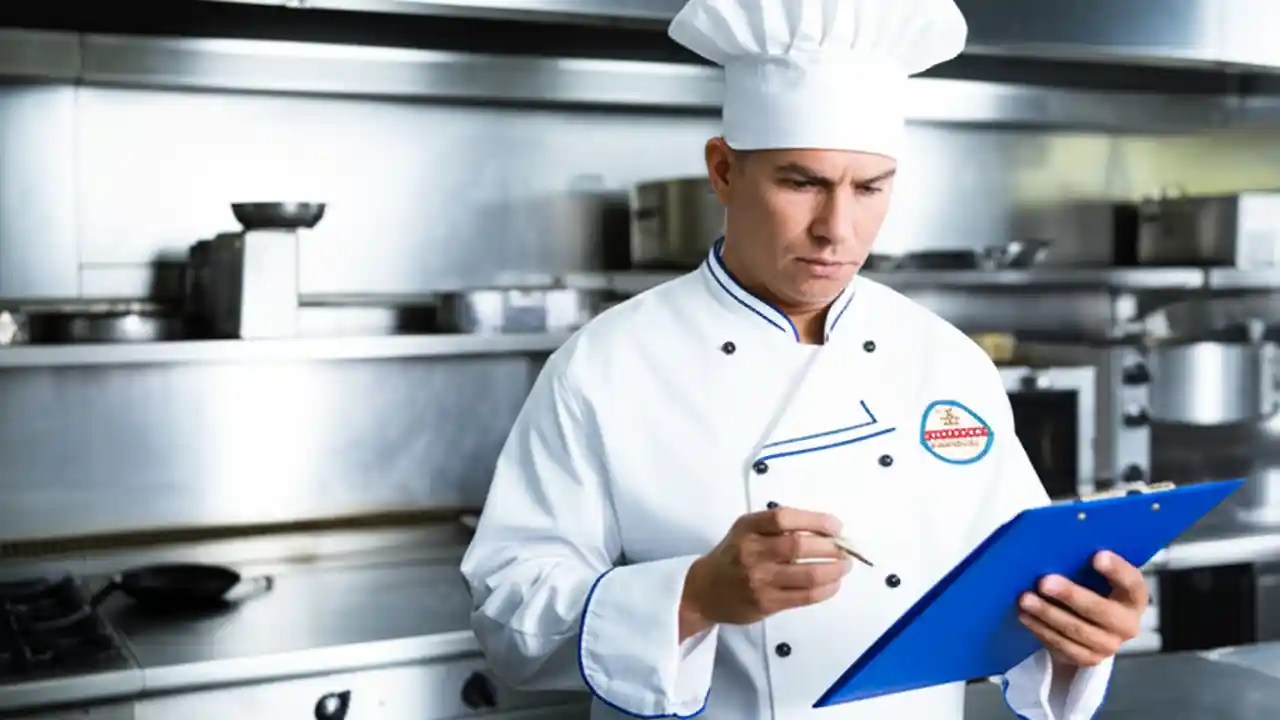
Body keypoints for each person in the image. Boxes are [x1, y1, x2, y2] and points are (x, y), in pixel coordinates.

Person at [460, 0, 1148, 717]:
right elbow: (508, 616)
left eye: (870, 187)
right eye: (802, 182)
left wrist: (1079, 627)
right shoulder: (608, 364)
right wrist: (693, 597)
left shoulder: (944, 359)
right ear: (724, 171)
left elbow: (1020, 588)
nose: (836, 230)